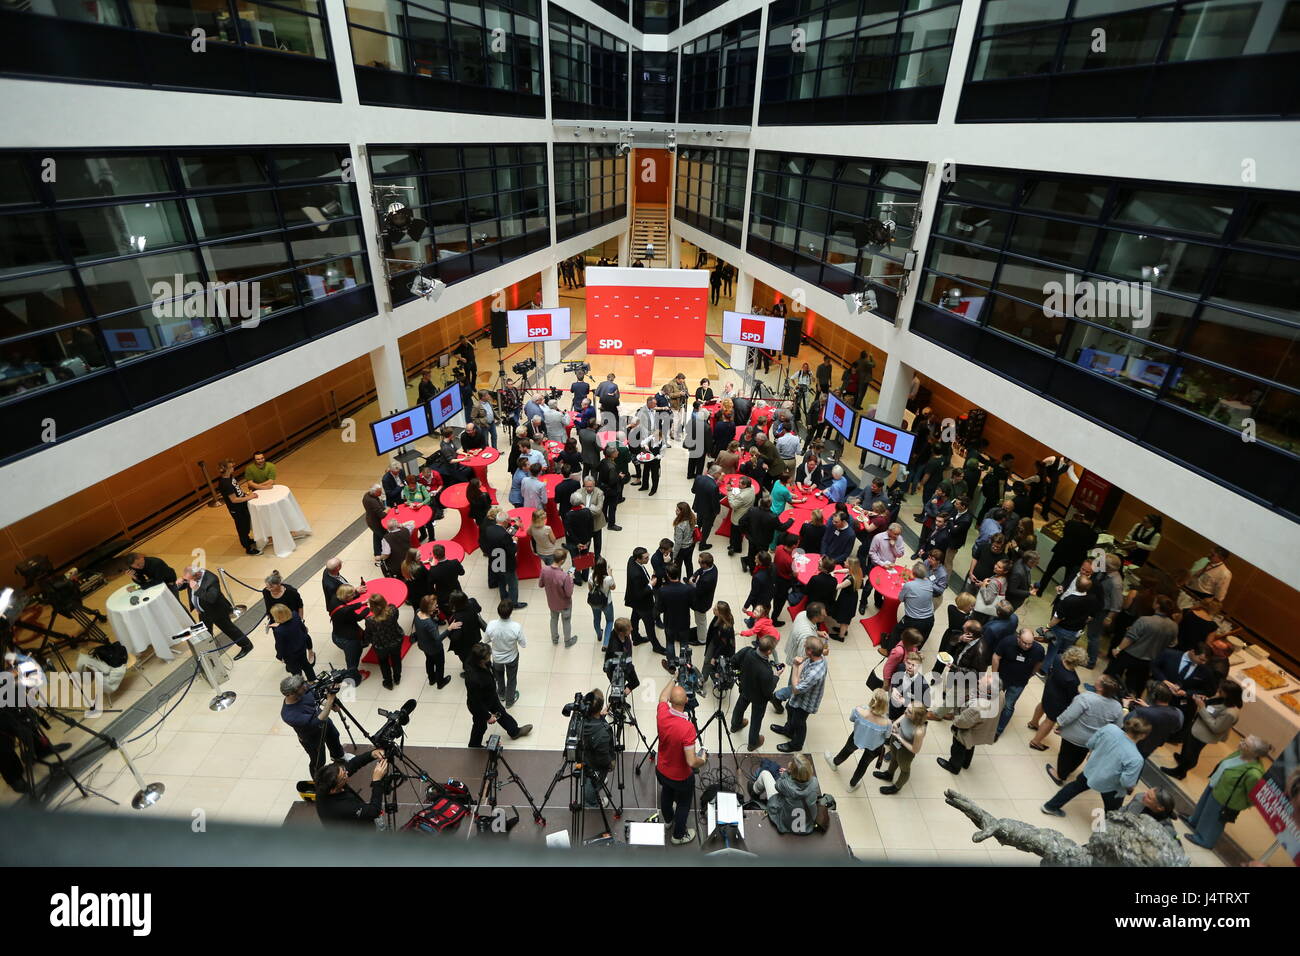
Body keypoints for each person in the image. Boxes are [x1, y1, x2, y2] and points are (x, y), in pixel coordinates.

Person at [1041, 716, 1150, 817]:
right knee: (1113, 811)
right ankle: (1109, 829)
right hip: (1111, 787)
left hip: (1092, 770)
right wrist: (1131, 787)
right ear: (1143, 735)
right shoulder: (1136, 758)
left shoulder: (1110, 728)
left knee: (1074, 787)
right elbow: (1126, 782)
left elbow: (1090, 743)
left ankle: (1050, 806)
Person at [1182, 736, 1270, 849]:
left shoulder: (1254, 774)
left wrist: (1238, 804)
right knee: (1203, 806)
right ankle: (1194, 821)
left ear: (1254, 753)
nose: (1241, 743)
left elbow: (1254, 796)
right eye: (1243, 740)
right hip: (1216, 785)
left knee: (1213, 819)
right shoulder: (1239, 753)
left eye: (1245, 745)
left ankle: (1204, 840)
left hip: (1225, 799)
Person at [1047, 674, 1126, 784]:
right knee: (1080, 756)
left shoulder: (1085, 698)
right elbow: (1117, 726)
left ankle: (1060, 775)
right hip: (1092, 740)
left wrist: (1059, 723)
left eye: (1098, 679)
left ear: (1100, 687)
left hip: (1073, 735)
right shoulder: (1117, 706)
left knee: (1066, 754)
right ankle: (1069, 770)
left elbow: (1070, 715)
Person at [656, 676, 707, 845]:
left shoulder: (662, 712)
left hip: (662, 770)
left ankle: (668, 820)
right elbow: (691, 762)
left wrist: (674, 678)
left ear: (670, 701)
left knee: (666, 793)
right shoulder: (687, 728)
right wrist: (703, 759)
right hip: (681, 777)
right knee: (684, 804)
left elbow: (662, 697)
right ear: (686, 700)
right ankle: (678, 836)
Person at [1163, 681, 1243, 780]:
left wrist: (1201, 708)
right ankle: (1182, 759)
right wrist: (1204, 700)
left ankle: (1180, 772)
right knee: (1187, 746)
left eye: (1221, 690)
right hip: (1197, 727)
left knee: (1192, 753)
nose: (1218, 691)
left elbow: (1216, 728)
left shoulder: (1230, 712)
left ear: (1228, 694)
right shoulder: (1223, 699)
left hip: (1203, 735)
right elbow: (1212, 707)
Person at [1107, 595, 1177, 696]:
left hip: (1131, 654)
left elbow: (1130, 638)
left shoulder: (1145, 620)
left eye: (1155, 601)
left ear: (1157, 605)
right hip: (1149, 660)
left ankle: (1106, 693)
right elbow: (1173, 643)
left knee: (1111, 674)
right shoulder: (1174, 626)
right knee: (1135, 686)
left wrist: (1118, 648)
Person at [465, 643, 532, 748]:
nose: (490, 657)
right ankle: (474, 745)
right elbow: (475, 701)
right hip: (479, 705)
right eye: (488, 656)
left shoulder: (478, 661)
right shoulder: (473, 678)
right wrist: (487, 716)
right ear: (480, 660)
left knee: (501, 713)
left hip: (490, 697)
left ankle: (514, 731)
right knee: (480, 726)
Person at [825, 687, 892, 791]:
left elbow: (851, 719)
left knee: (847, 750)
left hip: (857, 737)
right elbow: (887, 736)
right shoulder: (887, 722)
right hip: (874, 746)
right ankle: (853, 784)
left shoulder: (859, 710)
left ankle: (835, 763)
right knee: (864, 764)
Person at [182, 565, 254, 660]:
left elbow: (211, 598)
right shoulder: (193, 577)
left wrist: (197, 588)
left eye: (191, 579)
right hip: (203, 611)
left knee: (229, 629)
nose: (190, 581)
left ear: (198, 574)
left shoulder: (211, 580)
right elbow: (187, 583)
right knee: (206, 632)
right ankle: (210, 649)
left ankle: (246, 645)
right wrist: (180, 583)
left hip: (217, 610)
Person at [280, 674, 344, 780]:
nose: (306, 687)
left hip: (325, 723)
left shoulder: (303, 689)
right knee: (319, 760)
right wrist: (330, 701)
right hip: (312, 737)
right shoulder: (289, 715)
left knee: (334, 737)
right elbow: (317, 721)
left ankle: (338, 757)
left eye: (304, 684)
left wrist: (328, 704)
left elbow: (315, 697)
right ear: (290, 694)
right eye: (301, 687)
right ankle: (318, 779)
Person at [771, 635, 827, 753]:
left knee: (799, 722)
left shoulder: (815, 673)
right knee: (790, 708)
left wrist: (796, 666)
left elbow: (796, 689)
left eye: (805, 647)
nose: (803, 648)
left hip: (806, 701)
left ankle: (796, 744)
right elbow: (824, 650)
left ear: (810, 651)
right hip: (800, 696)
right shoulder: (818, 656)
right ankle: (788, 731)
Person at [937, 674, 999, 775]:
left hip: (967, 732)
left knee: (958, 748)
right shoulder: (1000, 695)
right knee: (971, 745)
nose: (979, 680)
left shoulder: (977, 708)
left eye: (983, 681)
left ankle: (954, 767)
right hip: (979, 729)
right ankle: (966, 763)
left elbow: (961, 722)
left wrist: (955, 718)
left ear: (988, 691)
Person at [1028, 646, 1086, 751]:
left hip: (1049, 689)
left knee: (1043, 705)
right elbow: (1072, 696)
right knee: (1050, 720)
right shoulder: (1072, 679)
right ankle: (1035, 742)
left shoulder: (1058, 658)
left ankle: (1033, 723)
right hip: (1059, 701)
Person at [991, 627, 1045, 739]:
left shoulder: (1039, 650)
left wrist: (1032, 674)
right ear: (1018, 638)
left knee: (1009, 706)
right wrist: (994, 675)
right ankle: (987, 721)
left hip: (1019, 682)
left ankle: (998, 730)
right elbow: (996, 657)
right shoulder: (1007, 642)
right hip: (1001, 678)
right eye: (1025, 643)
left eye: (1030, 643)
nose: (1027, 646)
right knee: (993, 698)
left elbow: (1039, 663)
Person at [751, 752, 821, 834]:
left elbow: (777, 785)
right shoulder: (815, 782)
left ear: (792, 772)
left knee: (764, 774)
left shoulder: (786, 785)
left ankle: (754, 793)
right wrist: (793, 774)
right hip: (806, 825)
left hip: (786, 823)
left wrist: (786, 773)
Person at [314, 749, 387, 826]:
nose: (347, 773)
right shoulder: (344, 807)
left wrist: (372, 754)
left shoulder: (328, 780)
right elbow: (374, 811)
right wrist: (377, 781)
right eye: (344, 776)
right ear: (333, 790)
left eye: (344, 770)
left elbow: (353, 764)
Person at [876, 702, 928, 794]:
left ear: (916, 717)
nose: (905, 711)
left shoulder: (919, 731)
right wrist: (895, 724)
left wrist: (900, 738)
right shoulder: (907, 714)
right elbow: (901, 718)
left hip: (906, 751)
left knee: (904, 769)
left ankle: (897, 787)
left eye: (909, 711)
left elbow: (915, 750)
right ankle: (889, 774)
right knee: (894, 757)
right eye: (907, 708)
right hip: (896, 740)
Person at [1125, 682, 1184, 757]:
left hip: (1132, 746)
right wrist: (1149, 708)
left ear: (1153, 696)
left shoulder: (1139, 712)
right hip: (1152, 746)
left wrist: (1125, 707)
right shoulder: (1178, 713)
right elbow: (1175, 728)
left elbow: (1124, 725)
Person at [486, 599, 526, 707]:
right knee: (511, 679)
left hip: (497, 658)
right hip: (512, 658)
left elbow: (486, 640)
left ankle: (501, 694)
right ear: (511, 612)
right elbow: (523, 644)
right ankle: (509, 701)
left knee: (499, 677)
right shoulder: (516, 627)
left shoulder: (491, 625)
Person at [215, 459, 261, 555]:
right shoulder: (225, 484)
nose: (233, 468)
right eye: (231, 467)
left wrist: (245, 494)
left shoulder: (230, 477)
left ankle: (248, 540)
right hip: (236, 509)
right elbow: (234, 499)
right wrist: (250, 497)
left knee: (246, 524)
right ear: (226, 469)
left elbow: (237, 489)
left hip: (242, 505)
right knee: (242, 528)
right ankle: (248, 548)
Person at [481, 510, 523, 610]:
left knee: (501, 582)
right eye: (508, 521)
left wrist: (515, 527)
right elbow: (512, 550)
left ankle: (504, 599)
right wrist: (515, 542)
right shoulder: (504, 535)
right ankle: (514, 604)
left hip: (495, 561)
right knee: (513, 583)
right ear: (504, 522)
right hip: (507, 564)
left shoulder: (489, 529)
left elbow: (505, 536)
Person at [656, 562, 697, 660]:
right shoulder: (688, 589)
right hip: (684, 622)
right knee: (684, 644)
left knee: (670, 643)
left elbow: (660, 609)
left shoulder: (663, 591)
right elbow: (693, 605)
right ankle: (685, 663)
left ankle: (672, 663)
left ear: (668, 575)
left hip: (669, 622)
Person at [365, 593, 403, 690]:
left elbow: (368, 634)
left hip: (381, 645)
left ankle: (388, 682)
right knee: (396, 659)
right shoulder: (393, 611)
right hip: (396, 640)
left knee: (383, 663)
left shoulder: (370, 620)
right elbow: (392, 606)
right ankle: (397, 678)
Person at [625, 547, 660, 652]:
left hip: (634, 601)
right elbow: (640, 593)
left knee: (634, 619)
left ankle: (635, 638)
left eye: (648, 556)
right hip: (643, 604)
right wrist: (650, 585)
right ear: (638, 559)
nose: (648, 559)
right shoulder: (636, 574)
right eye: (646, 558)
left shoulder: (631, 559)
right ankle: (656, 646)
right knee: (650, 625)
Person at [539, 548, 576, 648]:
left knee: (553, 619)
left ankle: (554, 639)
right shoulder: (565, 576)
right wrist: (571, 579)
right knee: (566, 622)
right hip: (564, 605)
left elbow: (540, 584)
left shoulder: (544, 570)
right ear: (562, 561)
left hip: (552, 603)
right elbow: (569, 593)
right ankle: (567, 641)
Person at [412, 594, 450, 689]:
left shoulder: (418, 611)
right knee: (439, 664)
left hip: (423, 645)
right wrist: (449, 629)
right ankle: (440, 682)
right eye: (435, 605)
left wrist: (433, 615)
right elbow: (438, 638)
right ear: (428, 608)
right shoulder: (429, 623)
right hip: (435, 648)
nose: (437, 606)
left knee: (429, 661)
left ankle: (431, 679)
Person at [270, 603, 314, 678]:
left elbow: (280, 645)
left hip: (290, 655)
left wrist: (279, 656)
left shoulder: (278, 631)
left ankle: (300, 683)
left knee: (296, 671)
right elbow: (303, 628)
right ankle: (312, 680)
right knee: (306, 665)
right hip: (302, 647)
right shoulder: (295, 615)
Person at [689, 551, 719, 645]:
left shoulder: (706, 580)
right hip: (706, 600)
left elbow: (697, 592)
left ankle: (702, 640)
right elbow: (700, 570)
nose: (698, 563)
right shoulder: (713, 567)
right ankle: (702, 633)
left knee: (700, 622)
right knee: (702, 620)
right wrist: (694, 576)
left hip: (701, 604)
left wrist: (692, 584)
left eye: (699, 562)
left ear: (705, 564)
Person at [596, 445, 627, 532]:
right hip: (612, 489)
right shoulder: (612, 467)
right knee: (612, 507)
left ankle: (604, 518)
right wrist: (619, 477)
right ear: (612, 454)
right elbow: (612, 481)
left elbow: (597, 469)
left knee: (606, 502)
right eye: (616, 451)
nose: (618, 452)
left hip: (604, 487)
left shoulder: (603, 461)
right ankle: (611, 524)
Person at [691, 465, 720, 552]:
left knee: (698, 523)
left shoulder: (699, 478)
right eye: (719, 473)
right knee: (706, 528)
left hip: (699, 506)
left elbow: (693, 490)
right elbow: (715, 502)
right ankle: (702, 545)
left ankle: (694, 538)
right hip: (708, 511)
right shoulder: (714, 486)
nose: (720, 475)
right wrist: (717, 511)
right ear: (715, 474)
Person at [588, 558, 616, 647]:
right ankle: (606, 643)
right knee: (610, 621)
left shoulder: (591, 576)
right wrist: (610, 573)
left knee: (596, 619)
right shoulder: (608, 579)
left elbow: (590, 589)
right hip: (606, 603)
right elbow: (613, 587)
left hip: (594, 602)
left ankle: (599, 635)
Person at [672, 502, 698, 576]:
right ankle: (690, 578)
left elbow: (678, 542)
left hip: (682, 549)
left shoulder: (679, 525)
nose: (675, 511)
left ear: (683, 512)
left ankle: (677, 581)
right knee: (688, 563)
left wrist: (674, 555)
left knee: (678, 566)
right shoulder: (693, 517)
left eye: (677, 510)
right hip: (691, 545)